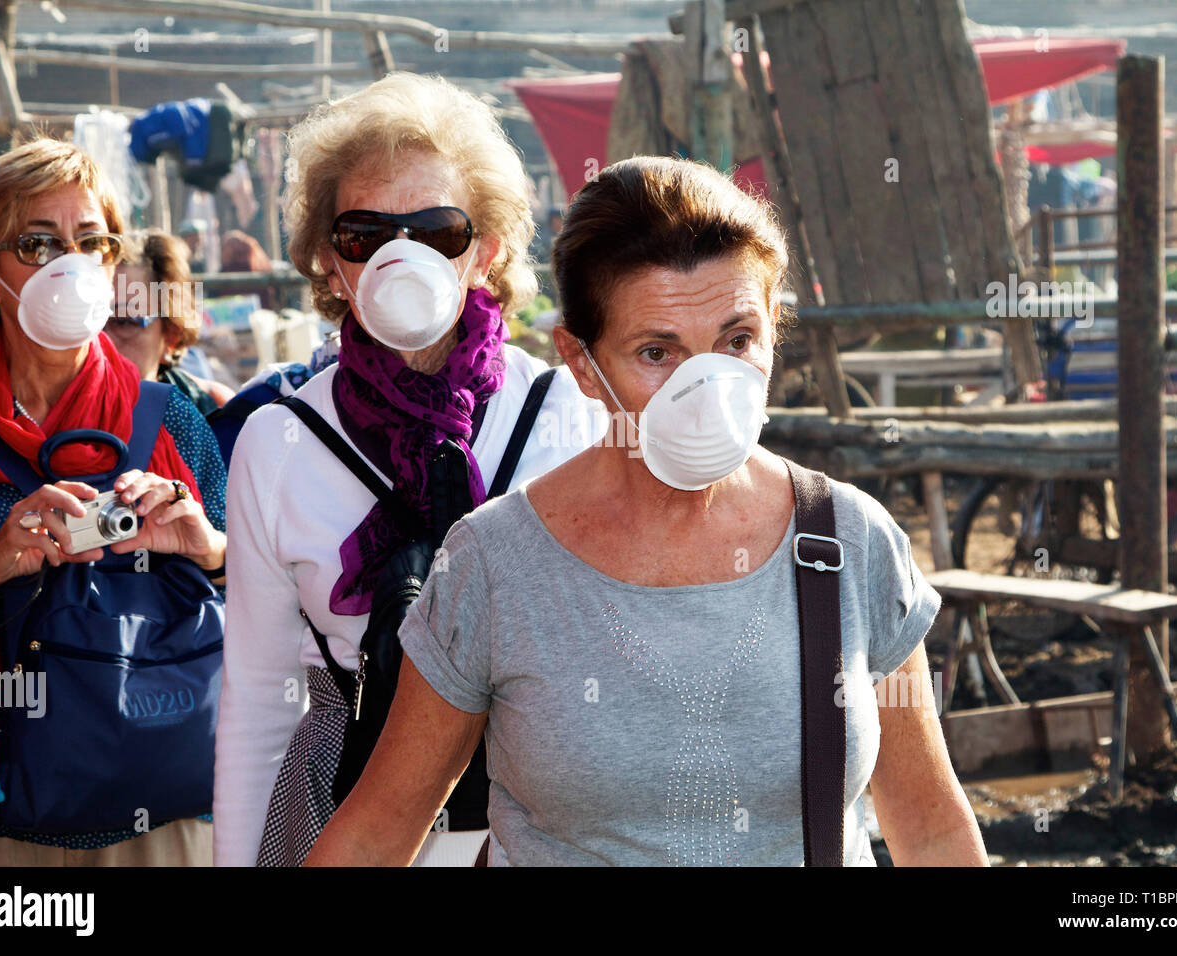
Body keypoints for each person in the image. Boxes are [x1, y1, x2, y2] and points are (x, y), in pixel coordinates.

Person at [306, 156, 989, 867]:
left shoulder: (848, 542)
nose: (709, 386)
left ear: (774, 330)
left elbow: (931, 826)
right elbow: (375, 833)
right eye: (657, 351)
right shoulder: (494, 563)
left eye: (738, 340)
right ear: (579, 361)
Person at [213, 72, 603, 867]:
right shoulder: (276, 442)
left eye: (436, 230)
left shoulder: (574, 416)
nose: (401, 257)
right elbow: (259, 702)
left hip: (546, 837)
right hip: (345, 827)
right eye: (365, 234)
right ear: (330, 263)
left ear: (485, 251)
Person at [0, 138, 228, 865]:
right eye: (37, 243)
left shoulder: (170, 423)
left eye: (90, 241)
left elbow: (263, 610)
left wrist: (208, 550)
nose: (69, 263)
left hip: (157, 809)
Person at [107, 229, 235, 415]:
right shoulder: (58, 414)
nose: (100, 340)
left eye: (123, 322)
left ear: (170, 336)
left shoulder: (210, 411)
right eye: (90, 320)